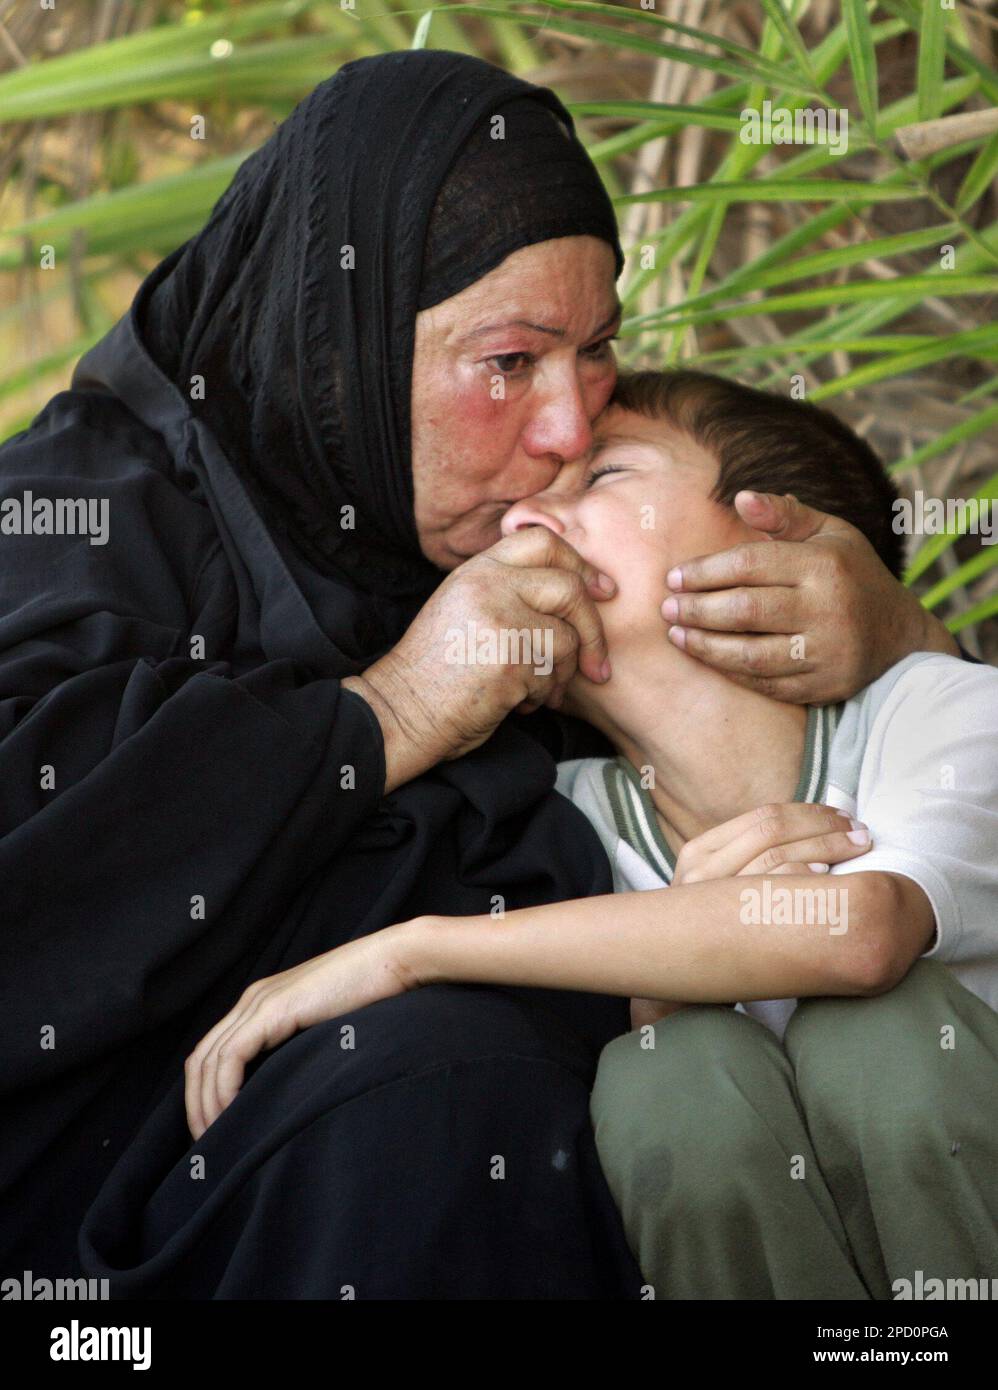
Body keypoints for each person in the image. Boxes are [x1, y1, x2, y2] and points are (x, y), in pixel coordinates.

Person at [0, 47, 962, 1299]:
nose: (570, 432)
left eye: (597, 351)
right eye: (507, 363)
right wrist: (387, 712)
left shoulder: (552, 582)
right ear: (336, 344)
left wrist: (892, 633)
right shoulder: (78, 522)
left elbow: (854, 834)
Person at [186, 369, 998, 1300]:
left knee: (880, 1033)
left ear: (779, 530)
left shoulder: (941, 711)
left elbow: (858, 935)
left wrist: (413, 953)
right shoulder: (559, 827)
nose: (525, 521)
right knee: (671, 1078)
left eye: (603, 476)